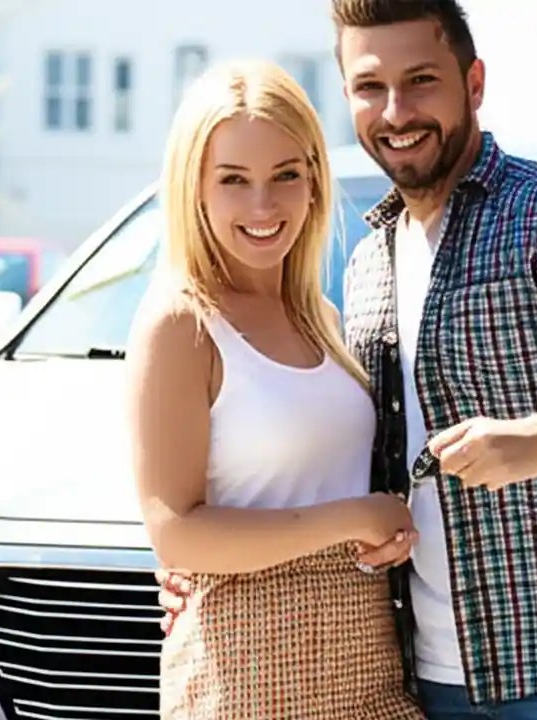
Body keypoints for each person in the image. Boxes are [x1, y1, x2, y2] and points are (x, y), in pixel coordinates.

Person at [158, 2, 537, 718]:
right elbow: (325, 456)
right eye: (371, 87)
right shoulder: (367, 266)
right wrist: (194, 559)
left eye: (421, 81)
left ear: (474, 83)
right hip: (422, 678)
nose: (396, 112)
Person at [126, 59, 425, 718]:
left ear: (314, 182)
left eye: (286, 175)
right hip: (245, 674)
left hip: (362, 659)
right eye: (234, 180)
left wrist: (385, 529)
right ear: (195, 188)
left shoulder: (323, 319)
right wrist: (355, 518)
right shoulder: (181, 321)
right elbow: (176, 534)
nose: (263, 206)